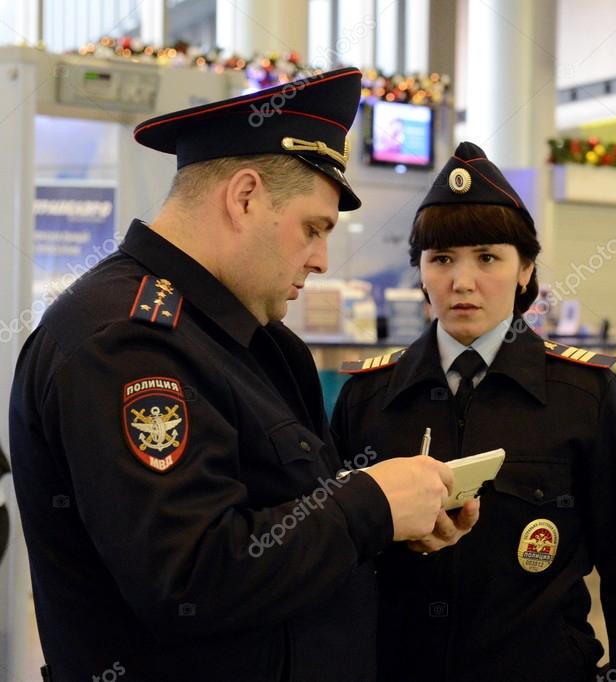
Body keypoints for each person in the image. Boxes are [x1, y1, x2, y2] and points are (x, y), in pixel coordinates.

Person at [9, 67, 477, 682]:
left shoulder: (258, 341)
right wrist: (370, 506)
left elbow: (288, 516)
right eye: (314, 228)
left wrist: (397, 521)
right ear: (246, 196)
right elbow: (190, 578)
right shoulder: (127, 341)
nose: (322, 258)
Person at [331, 142, 616, 682]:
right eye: (441, 259)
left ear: (525, 269)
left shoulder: (583, 395)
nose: (462, 281)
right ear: (419, 271)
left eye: (487, 257)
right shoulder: (369, 397)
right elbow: (337, 556)